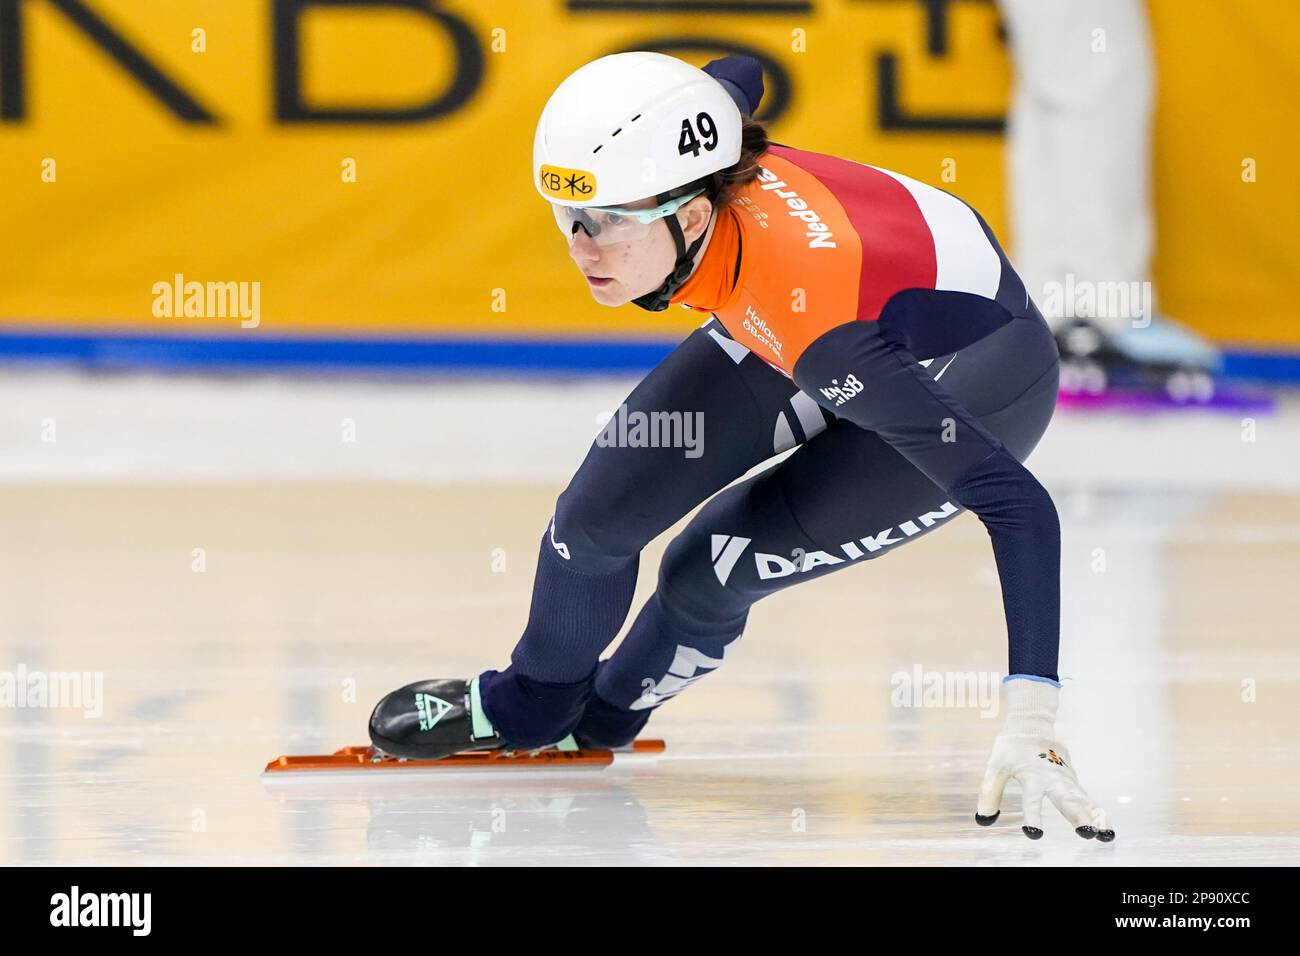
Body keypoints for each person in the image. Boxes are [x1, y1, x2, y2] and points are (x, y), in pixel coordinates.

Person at [371, 52, 1113, 841]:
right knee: (593, 522)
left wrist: (1032, 710)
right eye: (569, 218)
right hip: (813, 305)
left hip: (977, 376)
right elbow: (740, 70)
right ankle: (531, 705)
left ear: (691, 216)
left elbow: (1019, 506)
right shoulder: (705, 143)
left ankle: (608, 717)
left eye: (610, 220)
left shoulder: (826, 334)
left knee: (710, 564)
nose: (582, 248)